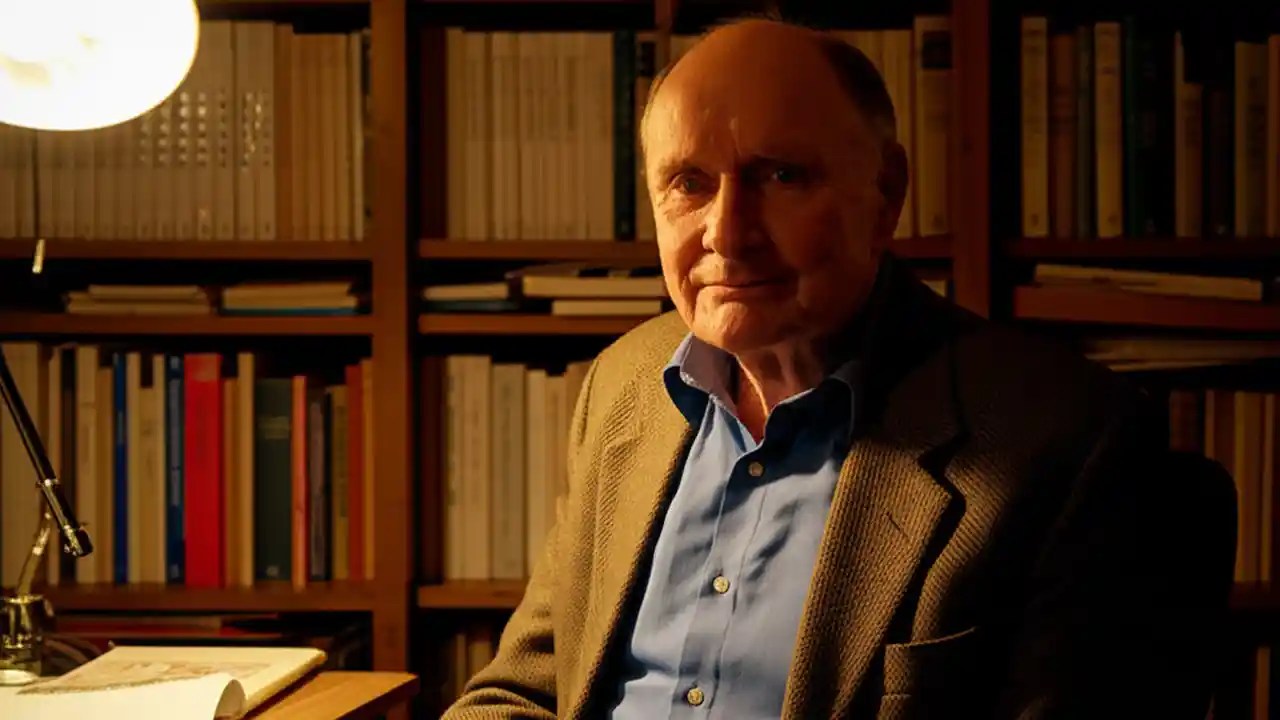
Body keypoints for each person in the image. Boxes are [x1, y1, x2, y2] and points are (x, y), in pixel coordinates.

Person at [442, 16, 1234, 719]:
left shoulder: (1064, 442)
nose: (728, 232)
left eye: (780, 176)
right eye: (689, 184)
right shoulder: (623, 384)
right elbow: (530, 689)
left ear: (885, 193)